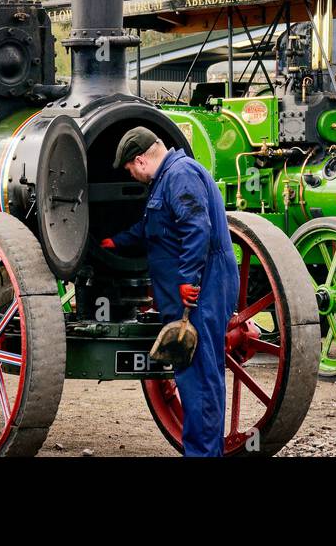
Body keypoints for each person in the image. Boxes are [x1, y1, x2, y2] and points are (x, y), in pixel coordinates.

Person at [101, 127, 239, 456]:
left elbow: (196, 226)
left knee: (198, 378)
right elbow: (156, 227)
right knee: (197, 375)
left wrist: (188, 279)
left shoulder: (181, 174)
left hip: (201, 289)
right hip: (193, 288)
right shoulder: (167, 178)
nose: (131, 176)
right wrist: (116, 242)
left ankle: (203, 454)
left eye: (129, 170)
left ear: (140, 160)